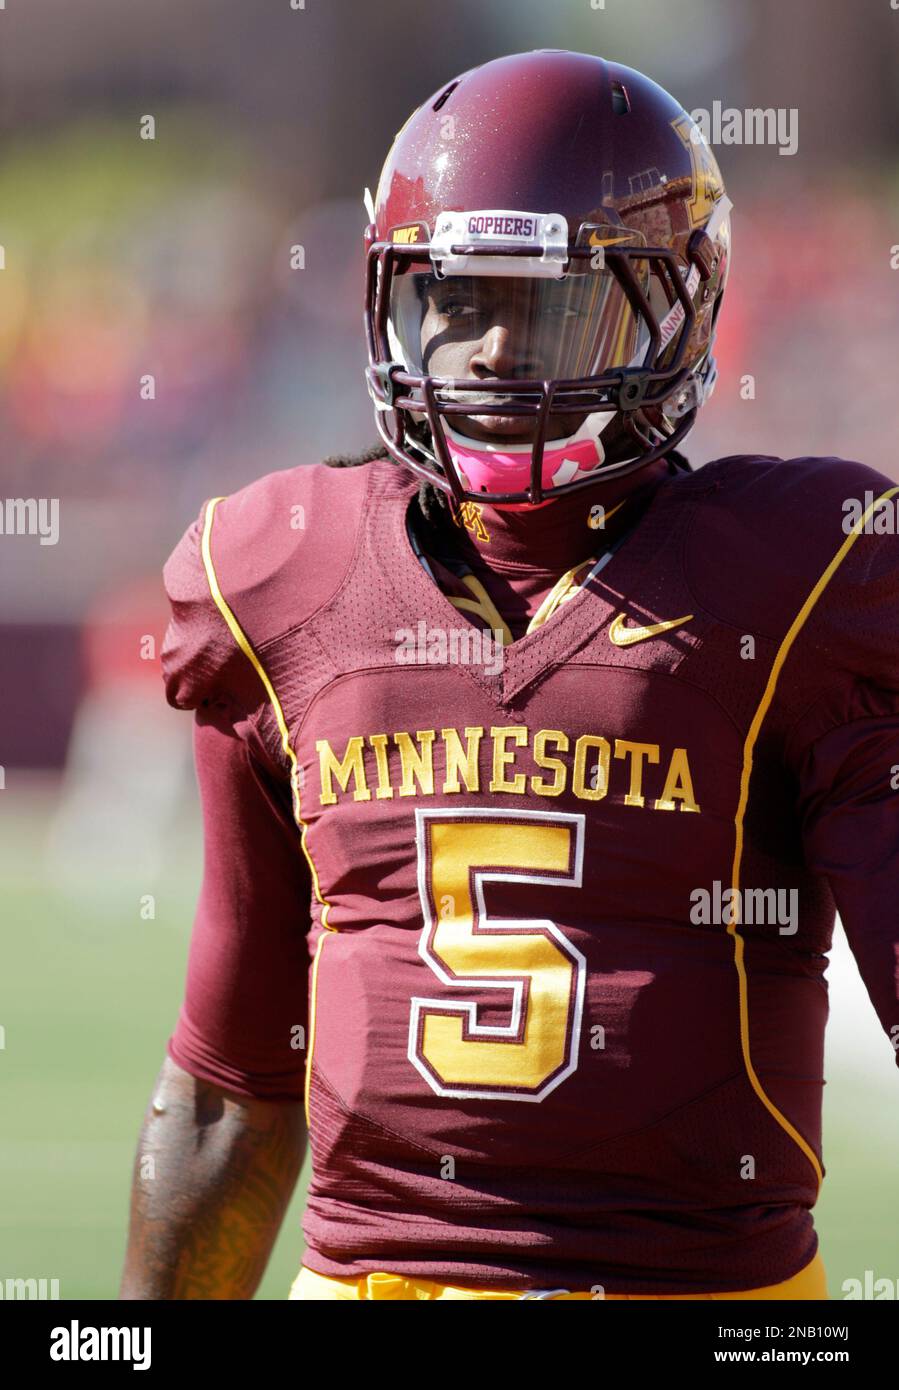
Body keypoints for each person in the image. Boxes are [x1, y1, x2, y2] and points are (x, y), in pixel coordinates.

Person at [120, 50, 898, 1301]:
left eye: (541, 302)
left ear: (675, 308)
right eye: (454, 297)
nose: (485, 346)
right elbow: (228, 1079)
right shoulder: (281, 574)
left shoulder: (801, 583)